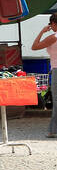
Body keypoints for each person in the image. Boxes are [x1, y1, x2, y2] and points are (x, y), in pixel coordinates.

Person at [31, 9, 57, 138]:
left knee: (56, 102)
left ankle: (53, 130)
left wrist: (42, 31)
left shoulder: (53, 37)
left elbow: (34, 47)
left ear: (53, 23)